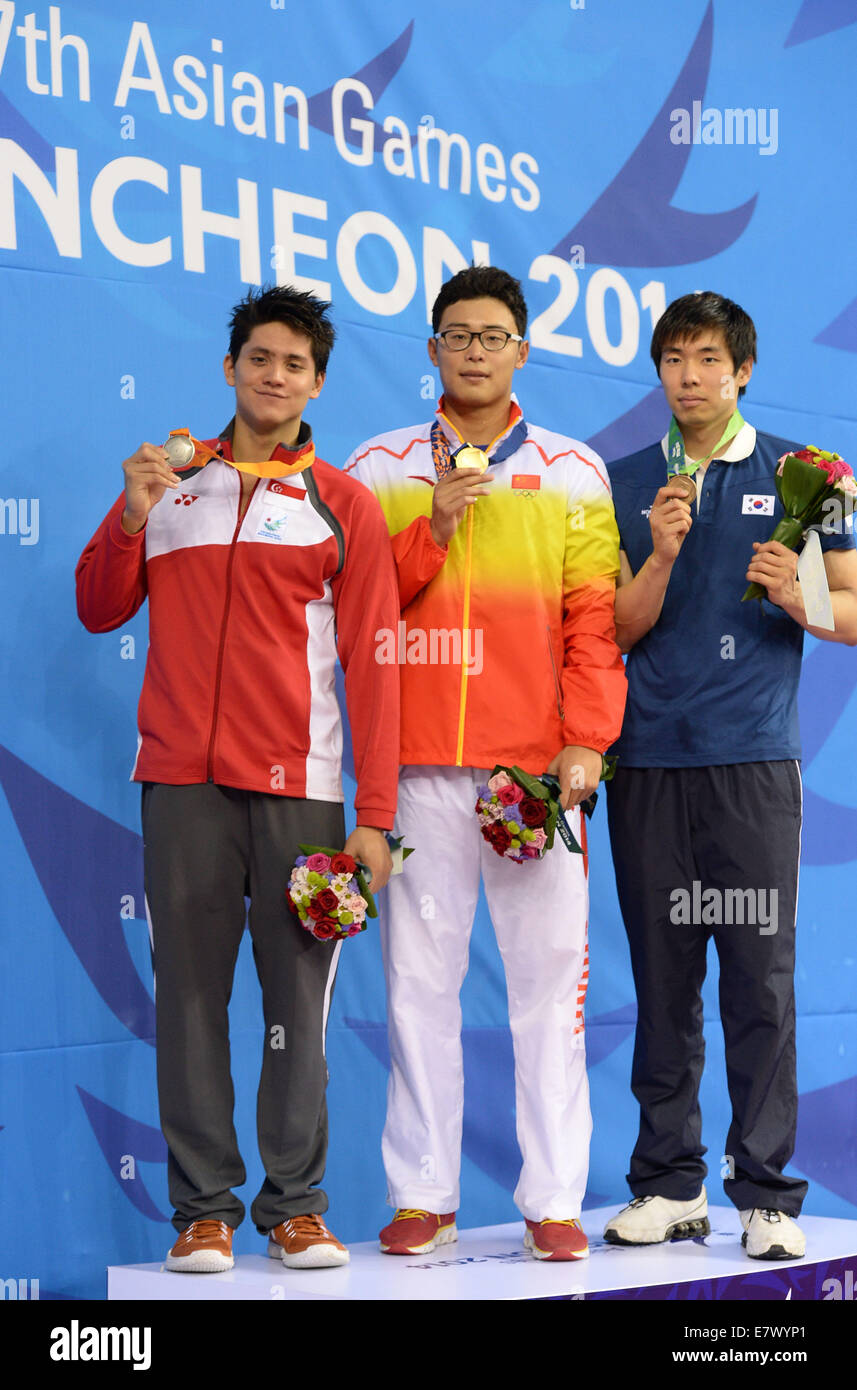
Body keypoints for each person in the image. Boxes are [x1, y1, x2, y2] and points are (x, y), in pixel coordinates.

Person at [76, 285, 400, 1273]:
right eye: (258, 357)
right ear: (229, 368)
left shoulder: (342, 506)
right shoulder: (167, 484)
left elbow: (377, 664)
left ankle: (296, 1205)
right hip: (181, 784)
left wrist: (374, 818)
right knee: (187, 997)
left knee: (295, 1006)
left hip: (302, 787)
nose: (274, 375)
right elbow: (97, 605)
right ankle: (201, 1211)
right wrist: (131, 513)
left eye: (294, 364)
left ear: (316, 382)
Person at [346, 265, 627, 1261]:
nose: (473, 348)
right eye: (456, 333)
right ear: (431, 349)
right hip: (418, 766)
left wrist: (585, 737)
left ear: (520, 351)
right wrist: (436, 527)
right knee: (417, 979)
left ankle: (553, 1196)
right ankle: (422, 1192)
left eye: (492, 333)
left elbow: (591, 621)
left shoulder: (569, 470)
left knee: (547, 984)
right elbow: (357, 610)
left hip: (534, 774)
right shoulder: (376, 467)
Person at [603, 291, 857, 1259]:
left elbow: (851, 605)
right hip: (649, 763)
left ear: (741, 369)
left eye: (707, 358)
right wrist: (660, 555)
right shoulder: (624, 479)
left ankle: (766, 1194)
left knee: (757, 978)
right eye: (672, 358)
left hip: (750, 766)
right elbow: (611, 633)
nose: (689, 376)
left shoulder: (809, 475)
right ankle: (668, 1183)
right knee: (663, 980)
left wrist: (799, 597)